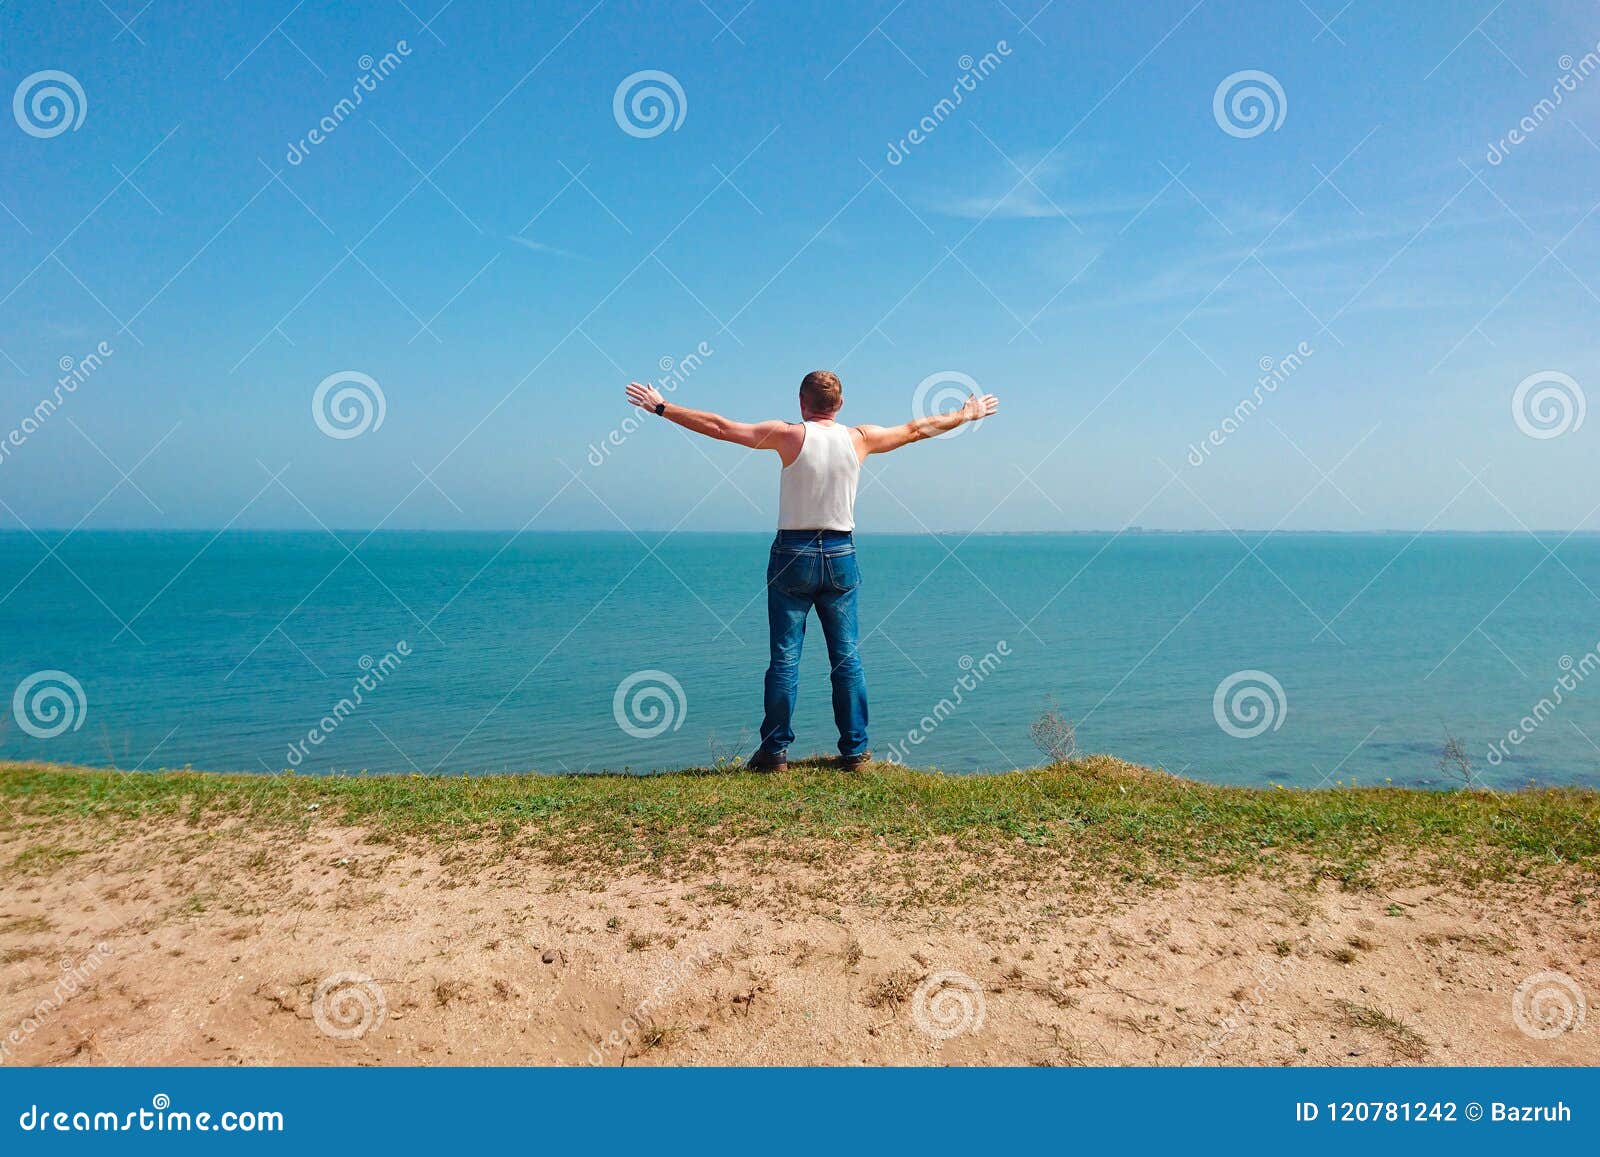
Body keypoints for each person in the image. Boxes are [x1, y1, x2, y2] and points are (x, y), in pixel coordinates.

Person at [624, 370, 999, 772]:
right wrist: (965, 413)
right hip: (840, 553)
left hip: (792, 553)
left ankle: (774, 753)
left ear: (801, 402)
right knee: (847, 657)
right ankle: (854, 752)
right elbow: (916, 429)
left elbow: (721, 427)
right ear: (839, 405)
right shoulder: (860, 438)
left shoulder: (788, 435)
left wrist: (661, 406)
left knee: (785, 658)